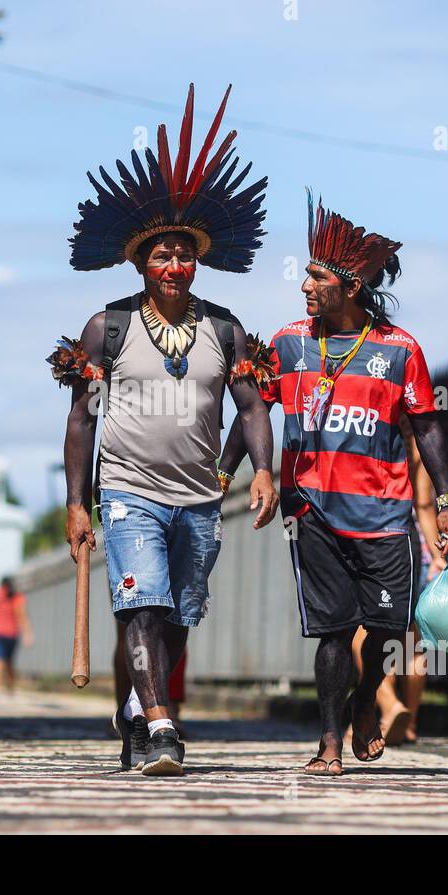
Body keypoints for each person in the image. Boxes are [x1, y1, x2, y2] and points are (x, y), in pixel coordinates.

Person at [53, 84, 278, 776]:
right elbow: (80, 419)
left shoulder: (224, 328)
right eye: (162, 254)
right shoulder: (107, 328)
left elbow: (251, 406)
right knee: (140, 604)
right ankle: (161, 729)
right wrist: (76, 501)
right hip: (127, 492)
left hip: (200, 497)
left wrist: (262, 469)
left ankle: (134, 704)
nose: (175, 264)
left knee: (175, 616)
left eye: (185, 253)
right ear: (140, 263)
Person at [220, 192, 448, 776]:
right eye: (305, 275)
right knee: (331, 633)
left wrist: (446, 499)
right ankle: (328, 741)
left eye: (316, 276)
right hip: (313, 510)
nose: (304, 285)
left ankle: (364, 705)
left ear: (350, 286)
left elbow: (426, 428)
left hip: (384, 512)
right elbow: (253, 413)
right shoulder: (287, 343)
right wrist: (230, 471)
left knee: (382, 628)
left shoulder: (400, 351)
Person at [367, 416, 448, 746]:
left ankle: (390, 708)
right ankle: (411, 721)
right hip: (424, 555)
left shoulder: (371, 448)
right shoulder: (425, 454)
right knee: (415, 647)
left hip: (384, 551)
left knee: (375, 635)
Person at [0, 576, 32, 691]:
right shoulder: (17, 598)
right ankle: (9, 687)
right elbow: (22, 616)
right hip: (10, 633)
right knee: (8, 661)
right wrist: (27, 633)